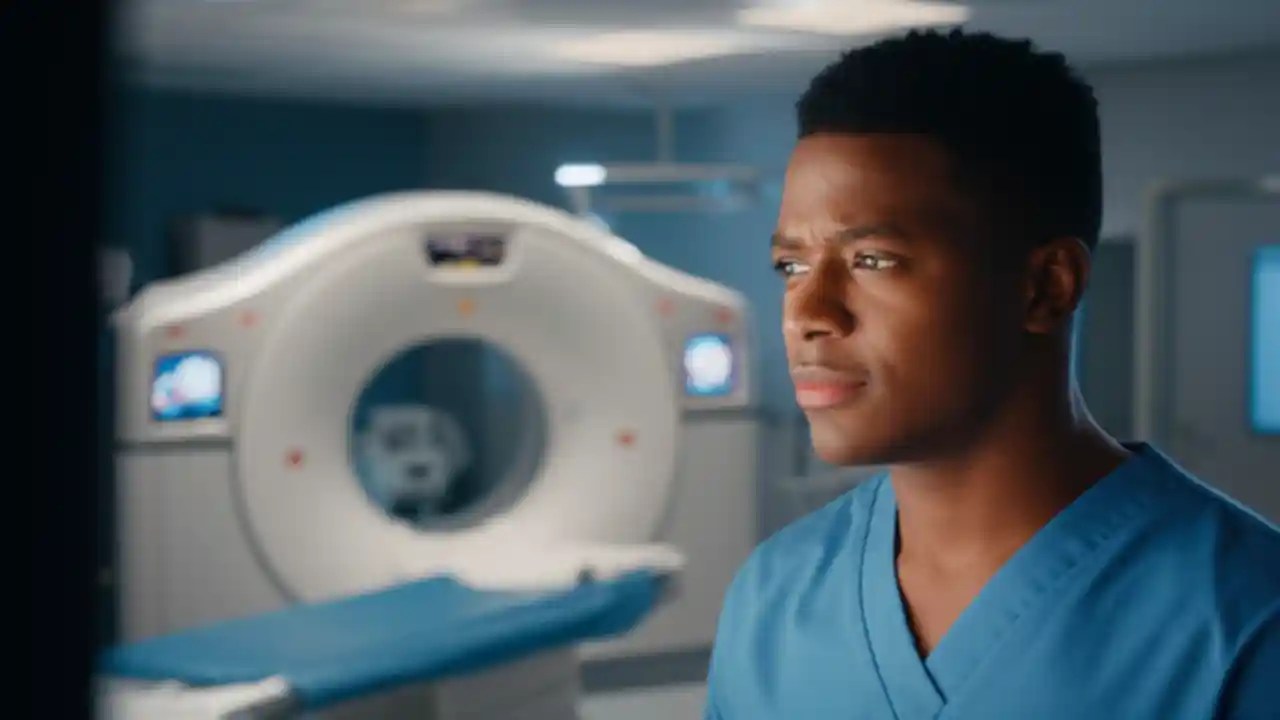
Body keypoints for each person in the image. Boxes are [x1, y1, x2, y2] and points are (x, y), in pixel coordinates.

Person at [703, 28, 1279, 719]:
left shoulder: (1245, 622)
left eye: (873, 260)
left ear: (1044, 287)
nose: (808, 313)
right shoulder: (774, 596)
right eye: (791, 267)